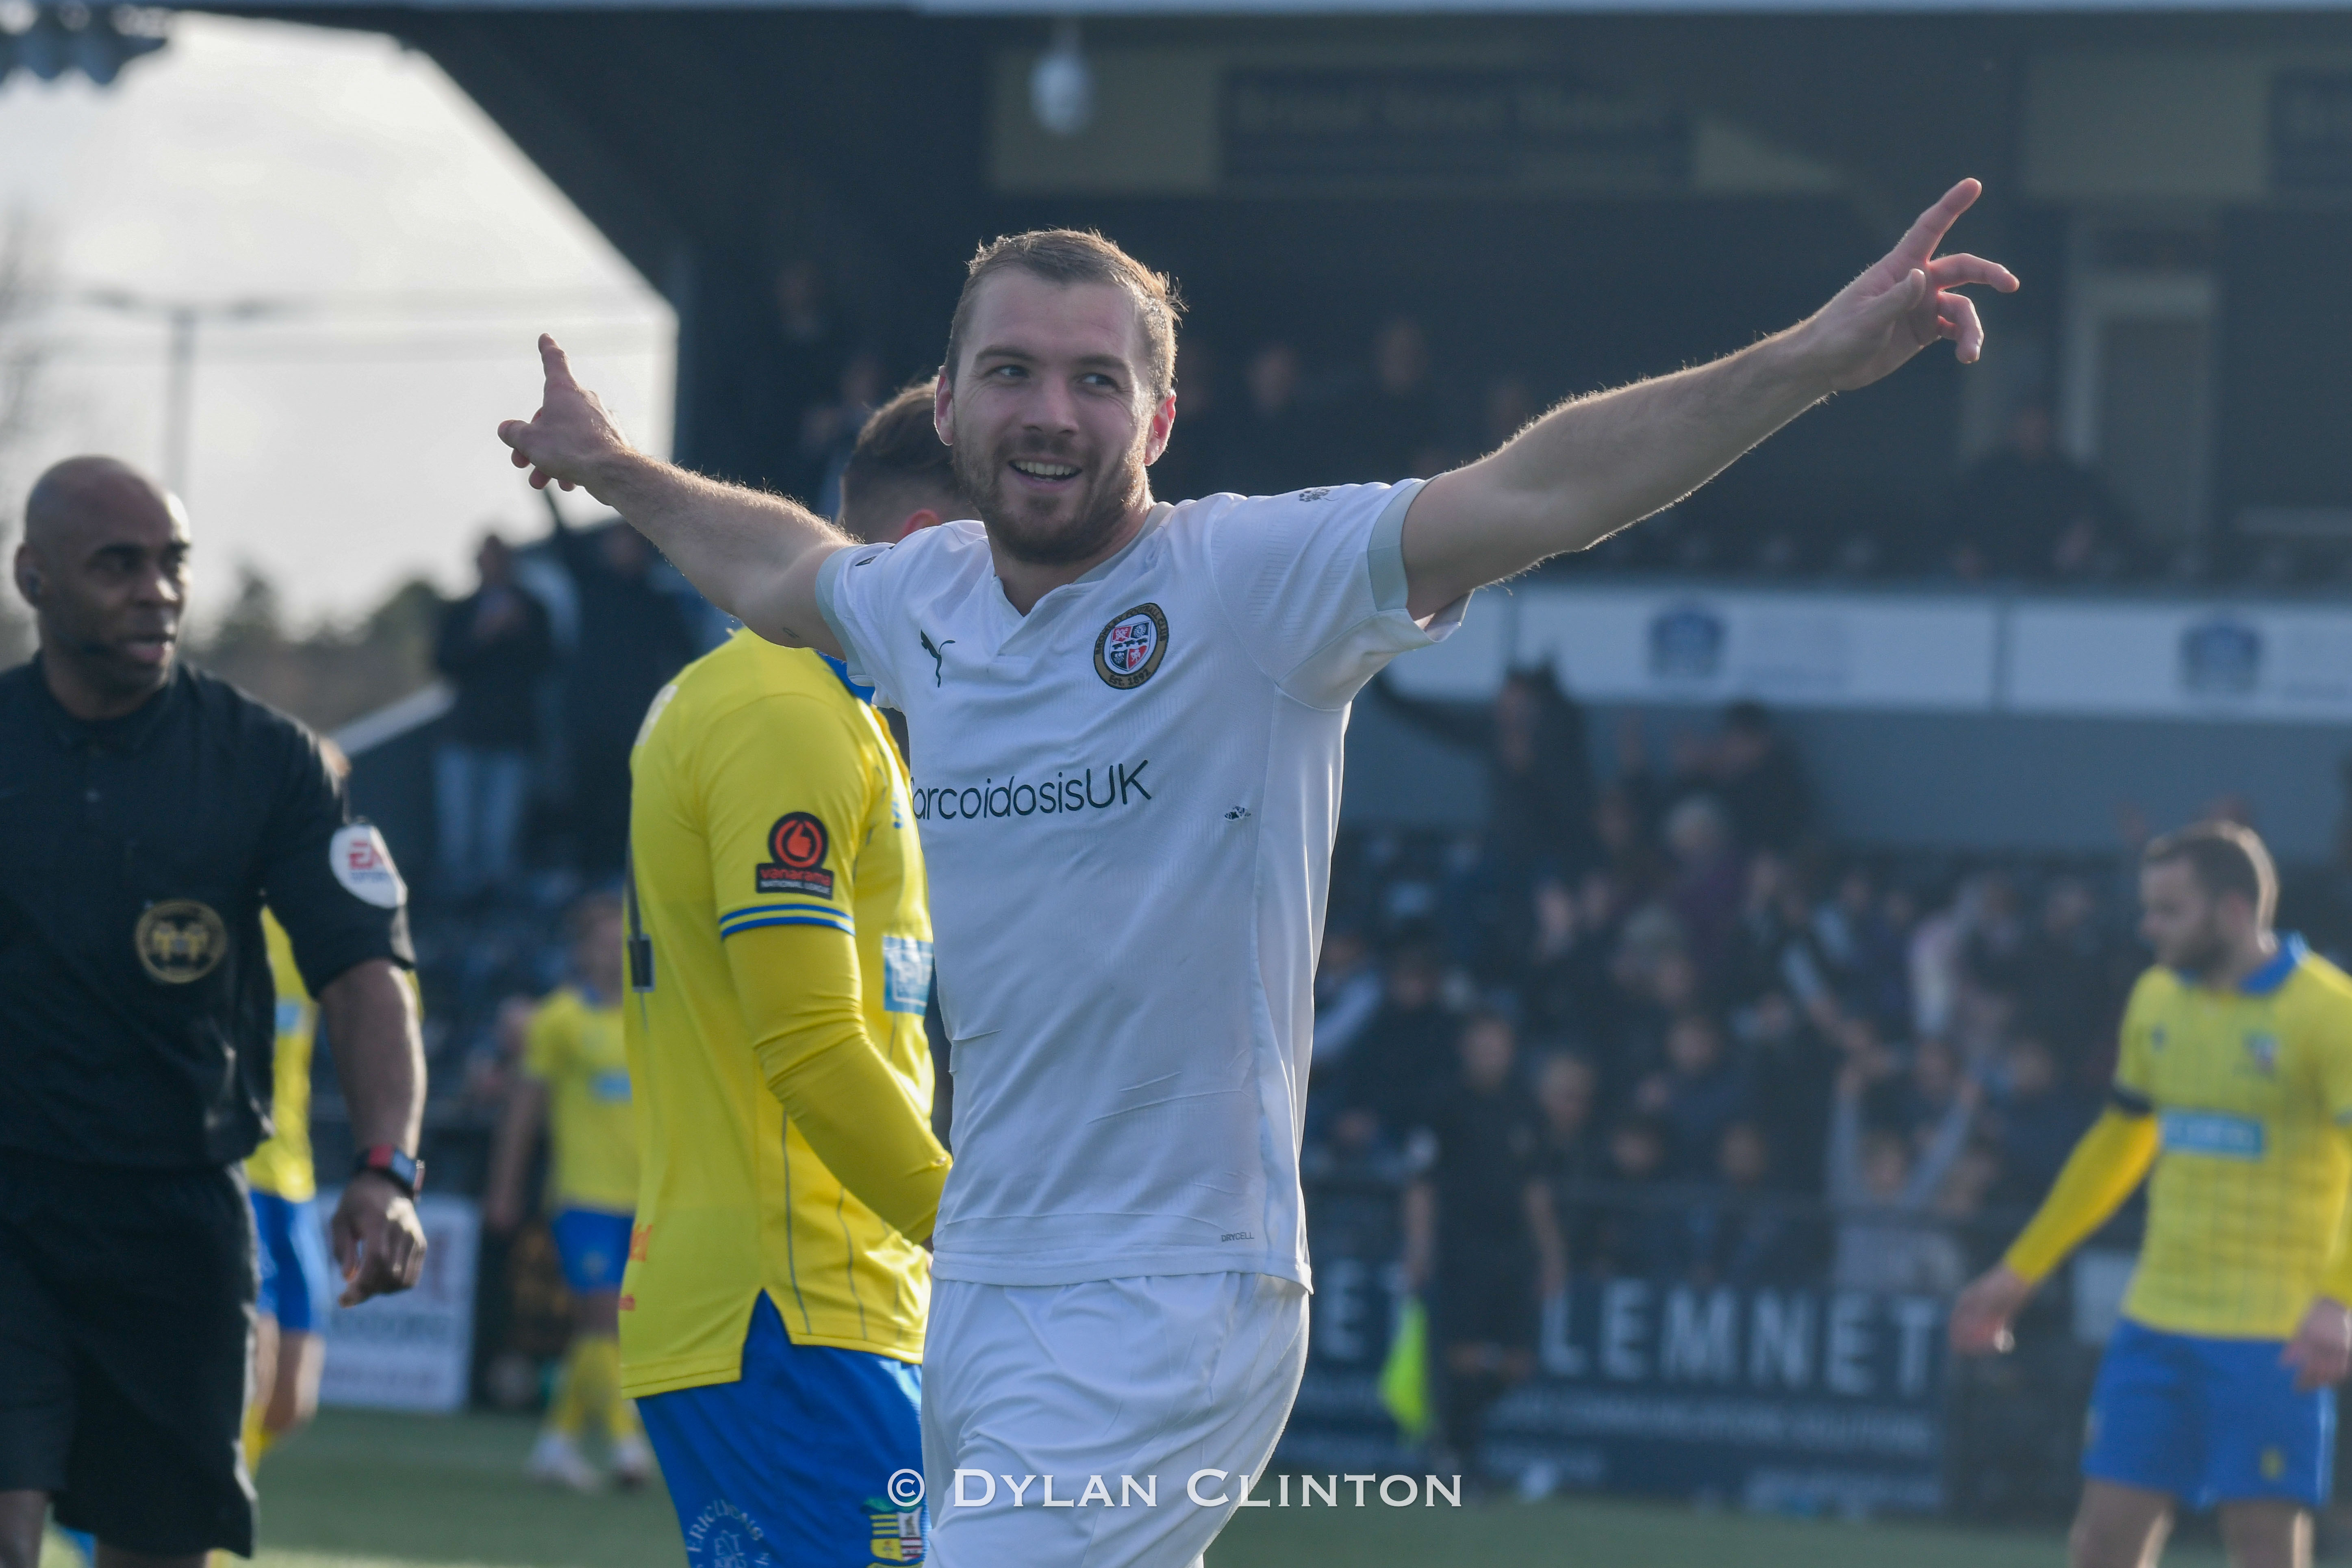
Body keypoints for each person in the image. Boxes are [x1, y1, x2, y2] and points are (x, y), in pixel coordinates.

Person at [498, 183, 2015, 1566]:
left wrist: (1810, 358)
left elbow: (1542, 486)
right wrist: (617, 466)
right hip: (980, 1279)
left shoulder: (1249, 581)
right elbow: (771, 562)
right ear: (948, 406)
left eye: (1101, 379)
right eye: (1015, 371)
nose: (1053, 410)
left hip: (1172, 1291)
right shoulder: (928, 598)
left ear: (1160, 423)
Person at [0, 456, 426, 1568]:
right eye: (119, 565)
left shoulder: (268, 763)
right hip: (8, 1204)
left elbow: (365, 970)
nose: (158, 591)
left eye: (173, 563)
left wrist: (386, 1166)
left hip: (177, 1219)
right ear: (33, 579)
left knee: (162, 1549)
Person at [615, 385, 961, 1566]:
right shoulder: (784, 710)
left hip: (818, 1303)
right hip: (789, 1307)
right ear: (927, 551)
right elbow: (811, 1046)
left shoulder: (836, 714)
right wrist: (988, 1243)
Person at [1951, 823, 2352, 1568]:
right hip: (2154, 1323)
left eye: (2168, 909)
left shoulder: (2330, 1011)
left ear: (2232, 910)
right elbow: (2120, 1140)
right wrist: (2020, 1269)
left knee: (2263, 1547)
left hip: (2273, 1333)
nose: (2147, 926)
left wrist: (2339, 1296)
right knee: (2099, 1543)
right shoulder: (2155, 997)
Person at [483, 893, 650, 1490]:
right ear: (581, 951)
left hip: (648, 1197)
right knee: (604, 1317)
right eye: (599, 942)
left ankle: (555, 1444)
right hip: (582, 1197)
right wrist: (504, 1187)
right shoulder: (558, 1019)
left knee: (599, 1331)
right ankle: (630, 1448)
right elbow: (524, 1110)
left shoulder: (652, 1014)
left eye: (619, 940)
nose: (610, 953)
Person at [1399, 1013, 1565, 1488]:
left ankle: (1450, 1438)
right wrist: (1418, 1248)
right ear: (1467, 1047)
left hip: (1513, 1251)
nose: (1492, 1053)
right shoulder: (1443, 1104)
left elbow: (1537, 1188)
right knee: (1463, 1354)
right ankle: (1463, 1460)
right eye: (1483, 1044)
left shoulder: (1524, 1107)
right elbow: (1421, 1184)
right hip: (1460, 1247)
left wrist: (1552, 1253)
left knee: (1517, 1363)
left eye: (1500, 1044)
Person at [240, 910, 338, 1475]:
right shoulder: (206, 920)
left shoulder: (310, 928)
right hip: (232, 1172)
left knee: (290, 1404)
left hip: (293, 1180)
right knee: (247, 1377)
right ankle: (208, 1546)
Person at [550, 513, 696, 879]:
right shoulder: (593, 584)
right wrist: (547, 474)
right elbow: (565, 539)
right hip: (587, 718)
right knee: (585, 799)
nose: (615, 550)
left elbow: (686, 656)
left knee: (628, 801)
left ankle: (626, 879)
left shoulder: (658, 602)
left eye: (625, 543)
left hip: (635, 721)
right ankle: (587, 884)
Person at [432, 532, 553, 903]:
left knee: (500, 838)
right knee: (459, 837)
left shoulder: (532, 609)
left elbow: (550, 663)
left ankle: (500, 915)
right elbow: (443, 663)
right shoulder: (460, 610)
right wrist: (483, 634)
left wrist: (518, 631)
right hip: (464, 736)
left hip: (513, 738)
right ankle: (457, 914)